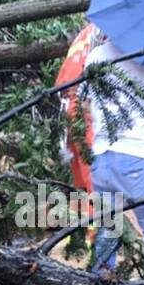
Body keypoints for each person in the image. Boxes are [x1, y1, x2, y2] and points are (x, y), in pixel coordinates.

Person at [82, 35, 144, 278]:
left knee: (108, 231)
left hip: (102, 157)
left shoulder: (95, 56)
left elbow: (85, 104)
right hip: (137, 157)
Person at [56, 22, 104, 244]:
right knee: (91, 169)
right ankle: (94, 230)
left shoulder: (84, 35)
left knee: (78, 171)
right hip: (83, 103)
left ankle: (75, 230)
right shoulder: (102, 33)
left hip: (67, 101)